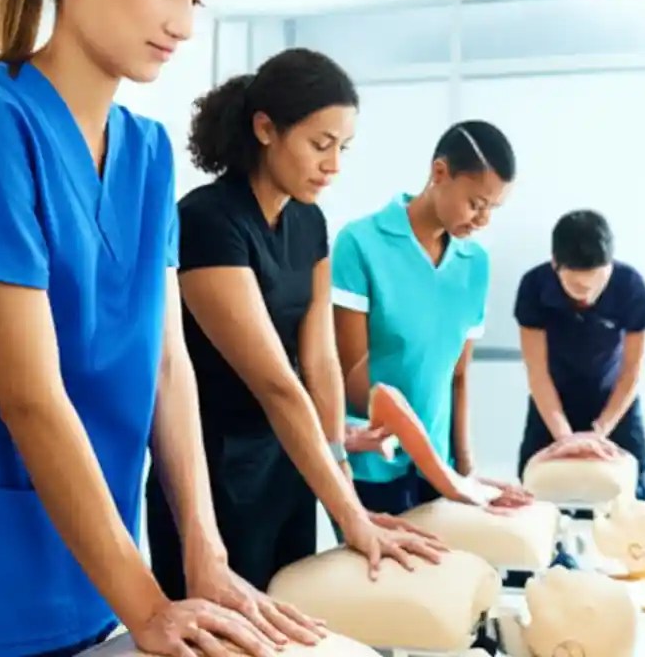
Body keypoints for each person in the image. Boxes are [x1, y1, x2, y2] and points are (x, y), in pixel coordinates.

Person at [0, 0, 322, 655]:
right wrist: (149, 607)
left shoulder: (147, 155)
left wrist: (203, 557)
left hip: (94, 566)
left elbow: (167, 367)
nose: (183, 23)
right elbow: (28, 395)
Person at [144, 47, 446, 605]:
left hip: (290, 464)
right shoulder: (208, 221)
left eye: (343, 148)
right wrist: (349, 513)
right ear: (266, 129)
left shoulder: (310, 221)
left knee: (295, 621)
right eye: (320, 144)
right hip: (217, 474)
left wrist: (339, 480)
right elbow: (277, 382)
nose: (333, 164)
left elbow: (321, 362)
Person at [331, 120, 517, 516]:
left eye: (492, 209)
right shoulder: (360, 243)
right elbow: (349, 375)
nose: (482, 220)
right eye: (476, 203)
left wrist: (466, 469)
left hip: (437, 469)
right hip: (371, 465)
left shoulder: (474, 263)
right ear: (439, 173)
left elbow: (459, 375)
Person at [514, 209, 645, 500]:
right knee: (536, 491)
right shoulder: (534, 286)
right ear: (556, 265)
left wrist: (599, 432)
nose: (588, 295)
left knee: (634, 492)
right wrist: (565, 438)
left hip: (615, 404)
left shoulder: (629, 285)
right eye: (577, 286)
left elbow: (632, 371)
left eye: (597, 284)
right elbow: (537, 373)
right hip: (552, 404)